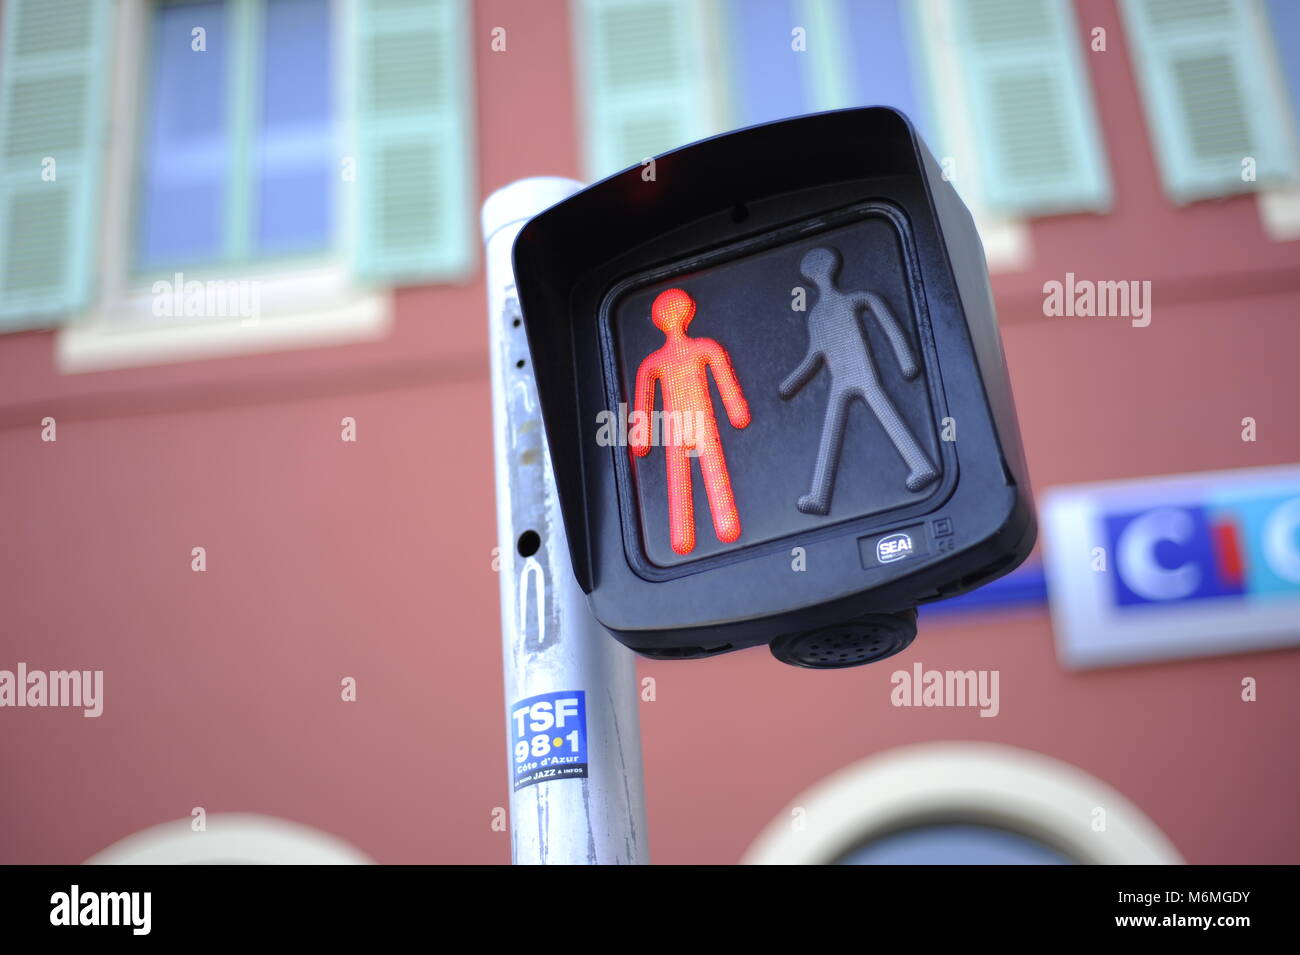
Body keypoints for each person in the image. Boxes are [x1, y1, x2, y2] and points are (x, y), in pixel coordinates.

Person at [781, 246, 938, 515]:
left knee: (885, 414)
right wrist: (791, 382)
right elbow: (815, 354)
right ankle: (819, 495)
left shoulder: (857, 299)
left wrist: (906, 361)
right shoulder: (817, 316)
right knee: (832, 431)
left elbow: (890, 327)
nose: (819, 275)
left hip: (862, 371)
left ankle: (921, 466)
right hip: (839, 376)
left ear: (828, 270)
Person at [631, 288, 751, 555]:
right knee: (710, 474)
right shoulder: (701, 349)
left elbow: (642, 405)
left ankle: (690, 535)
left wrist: (641, 438)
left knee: (681, 483)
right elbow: (726, 383)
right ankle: (720, 527)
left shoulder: (655, 362)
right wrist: (736, 413)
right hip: (698, 424)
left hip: (682, 427)